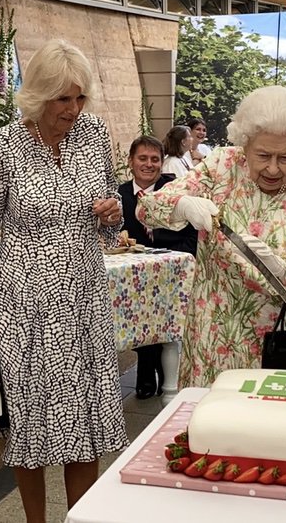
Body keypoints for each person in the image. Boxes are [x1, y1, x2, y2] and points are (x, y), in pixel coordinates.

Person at [0, 40, 129, 520]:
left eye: (80, 98)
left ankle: (78, 518)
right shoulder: (1, 145)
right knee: (30, 420)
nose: (73, 109)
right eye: (63, 98)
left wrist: (113, 214)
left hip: (84, 294)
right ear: (38, 95)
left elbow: (110, 221)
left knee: (87, 416)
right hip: (24, 302)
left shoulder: (95, 134)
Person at [137, 85, 286, 387]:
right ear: (244, 144)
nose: (273, 168)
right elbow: (147, 208)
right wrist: (181, 205)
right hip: (215, 337)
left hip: (284, 342)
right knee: (213, 426)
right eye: (262, 155)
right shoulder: (222, 166)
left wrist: (282, 269)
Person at [118, 135, 197, 399]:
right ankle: (145, 372)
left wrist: (181, 256)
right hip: (136, 274)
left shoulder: (175, 190)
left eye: (155, 159)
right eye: (143, 158)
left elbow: (193, 232)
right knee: (139, 317)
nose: (149, 164)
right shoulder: (119, 195)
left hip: (173, 268)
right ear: (131, 161)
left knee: (168, 324)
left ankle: (167, 377)